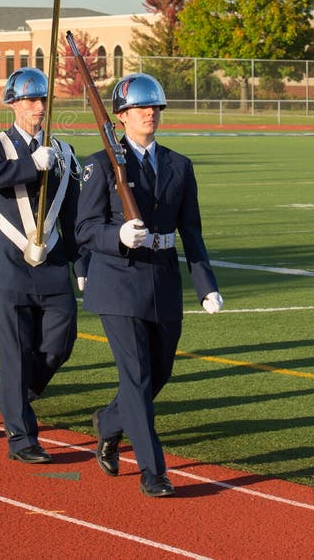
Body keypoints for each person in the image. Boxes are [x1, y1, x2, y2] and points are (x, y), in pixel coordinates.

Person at [75, 73, 224, 498]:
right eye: (141, 108)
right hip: (118, 282)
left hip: (163, 282)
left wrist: (205, 283)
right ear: (120, 117)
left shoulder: (179, 165)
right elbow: (84, 228)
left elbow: (191, 231)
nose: (150, 114)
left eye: (155, 107)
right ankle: (153, 471)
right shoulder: (101, 164)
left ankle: (108, 423)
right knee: (138, 376)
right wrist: (115, 236)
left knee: (158, 374)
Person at [0, 67, 86, 464]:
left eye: (43, 100)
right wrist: (30, 166)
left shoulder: (64, 151)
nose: (39, 107)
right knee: (16, 351)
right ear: (13, 104)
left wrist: (82, 263)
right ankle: (21, 438)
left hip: (52, 264)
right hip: (7, 264)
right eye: (31, 100)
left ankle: (21, 391)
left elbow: (73, 214)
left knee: (61, 340)